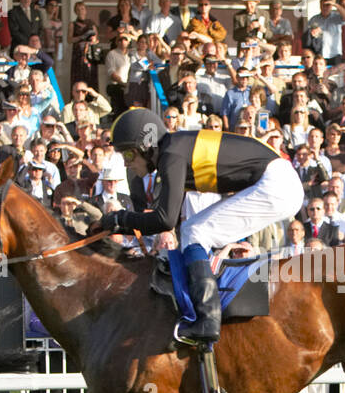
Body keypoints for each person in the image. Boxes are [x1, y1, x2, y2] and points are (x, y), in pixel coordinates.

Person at [98, 107, 304, 346]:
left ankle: (208, 317)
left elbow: (163, 220)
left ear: (145, 147)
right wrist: (119, 221)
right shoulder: (172, 149)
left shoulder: (172, 156)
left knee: (194, 231)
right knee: (192, 229)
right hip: (276, 181)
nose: (126, 163)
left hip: (277, 186)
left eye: (129, 155)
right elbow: (163, 215)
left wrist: (118, 220)